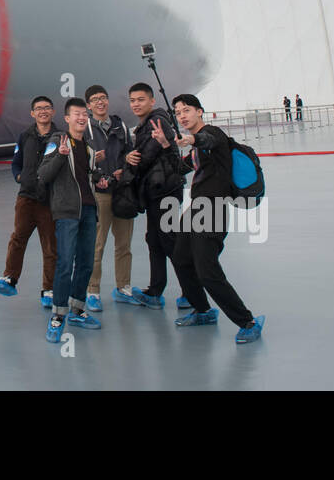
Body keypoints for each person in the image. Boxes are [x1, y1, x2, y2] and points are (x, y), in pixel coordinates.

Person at [161, 93, 265, 344]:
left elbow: (205, 139)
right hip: (196, 208)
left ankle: (247, 321)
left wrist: (192, 138)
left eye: (186, 110)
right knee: (181, 257)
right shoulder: (197, 149)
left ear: (200, 112)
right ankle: (203, 311)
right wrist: (167, 146)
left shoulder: (214, 134)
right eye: (177, 113)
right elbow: (179, 169)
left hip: (213, 209)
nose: (182, 116)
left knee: (207, 270)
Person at [38, 97, 102, 341]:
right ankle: (58, 316)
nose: (81, 117)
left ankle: (77, 309)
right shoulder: (58, 141)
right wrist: (60, 156)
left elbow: (86, 178)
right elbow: (43, 174)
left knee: (86, 262)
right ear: (66, 118)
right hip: (67, 212)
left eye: (84, 113)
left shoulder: (88, 148)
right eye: (76, 114)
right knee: (65, 264)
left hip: (88, 210)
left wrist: (101, 178)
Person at [125, 83, 192, 311]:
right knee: (154, 240)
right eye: (132, 100)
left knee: (170, 241)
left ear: (152, 101)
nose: (136, 104)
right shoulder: (145, 125)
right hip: (155, 192)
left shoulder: (157, 121)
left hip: (166, 191)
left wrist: (129, 163)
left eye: (140, 99)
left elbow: (146, 156)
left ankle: (191, 293)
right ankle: (155, 291)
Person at [0, 96, 59, 307]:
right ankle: (9, 278)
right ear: (32, 113)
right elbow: (16, 163)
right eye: (38, 108)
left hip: (49, 200)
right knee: (18, 238)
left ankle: (48, 289)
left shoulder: (61, 137)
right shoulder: (25, 137)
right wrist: (19, 178)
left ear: (53, 112)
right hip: (27, 198)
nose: (43, 111)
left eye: (46, 108)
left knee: (50, 246)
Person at [82, 85, 134, 310]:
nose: (100, 102)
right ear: (88, 105)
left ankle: (124, 287)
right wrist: (96, 175)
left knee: (124, 244)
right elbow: (79, 162)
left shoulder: (120, 125)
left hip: (122, 191)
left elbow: (130, 154)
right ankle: (92, 291)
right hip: (100, 194)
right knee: (98, 244)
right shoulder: (84, 128)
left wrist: (124, 169)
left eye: (103, 98)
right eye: (95, 99)